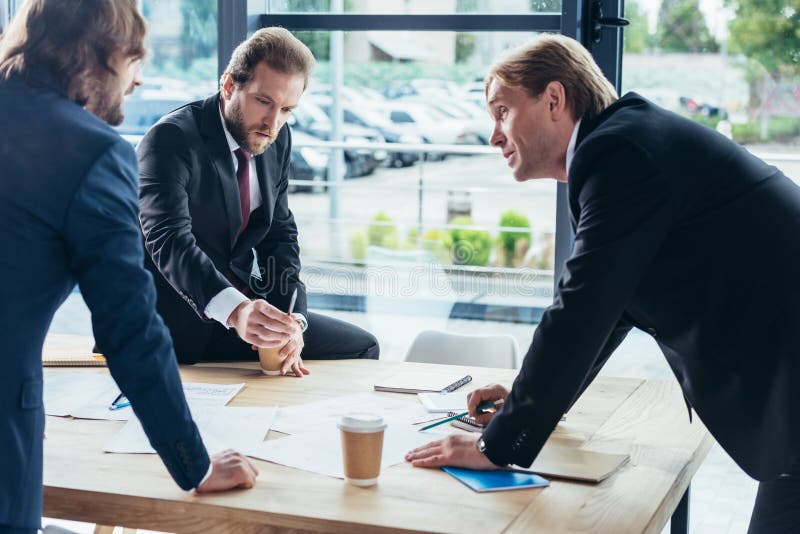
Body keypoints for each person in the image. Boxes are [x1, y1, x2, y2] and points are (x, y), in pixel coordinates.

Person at [405, 34, 800, 532]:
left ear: (554, 99)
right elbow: (615, 307)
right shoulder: (625, 144)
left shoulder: (619, 154)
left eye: (502, 111)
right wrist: (529, 403)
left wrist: (497, 445)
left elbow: (581, 310)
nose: (494, 136)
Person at [0, 2, 258, 531]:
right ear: (98, 53)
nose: (137, 82)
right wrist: (195, 464)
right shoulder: (89, 152)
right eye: (134, 59)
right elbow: (131, 331)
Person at [137, 27, 379, 373]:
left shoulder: (276, 139)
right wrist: (236, 311)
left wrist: (293, 320)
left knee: (362, 347)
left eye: (286, 109)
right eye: (263, 101)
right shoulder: (170, 139)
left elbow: (279, 234)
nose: (273, 122)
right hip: (171, 324)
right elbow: (168, 239)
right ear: (229, 85)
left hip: (242, 318)